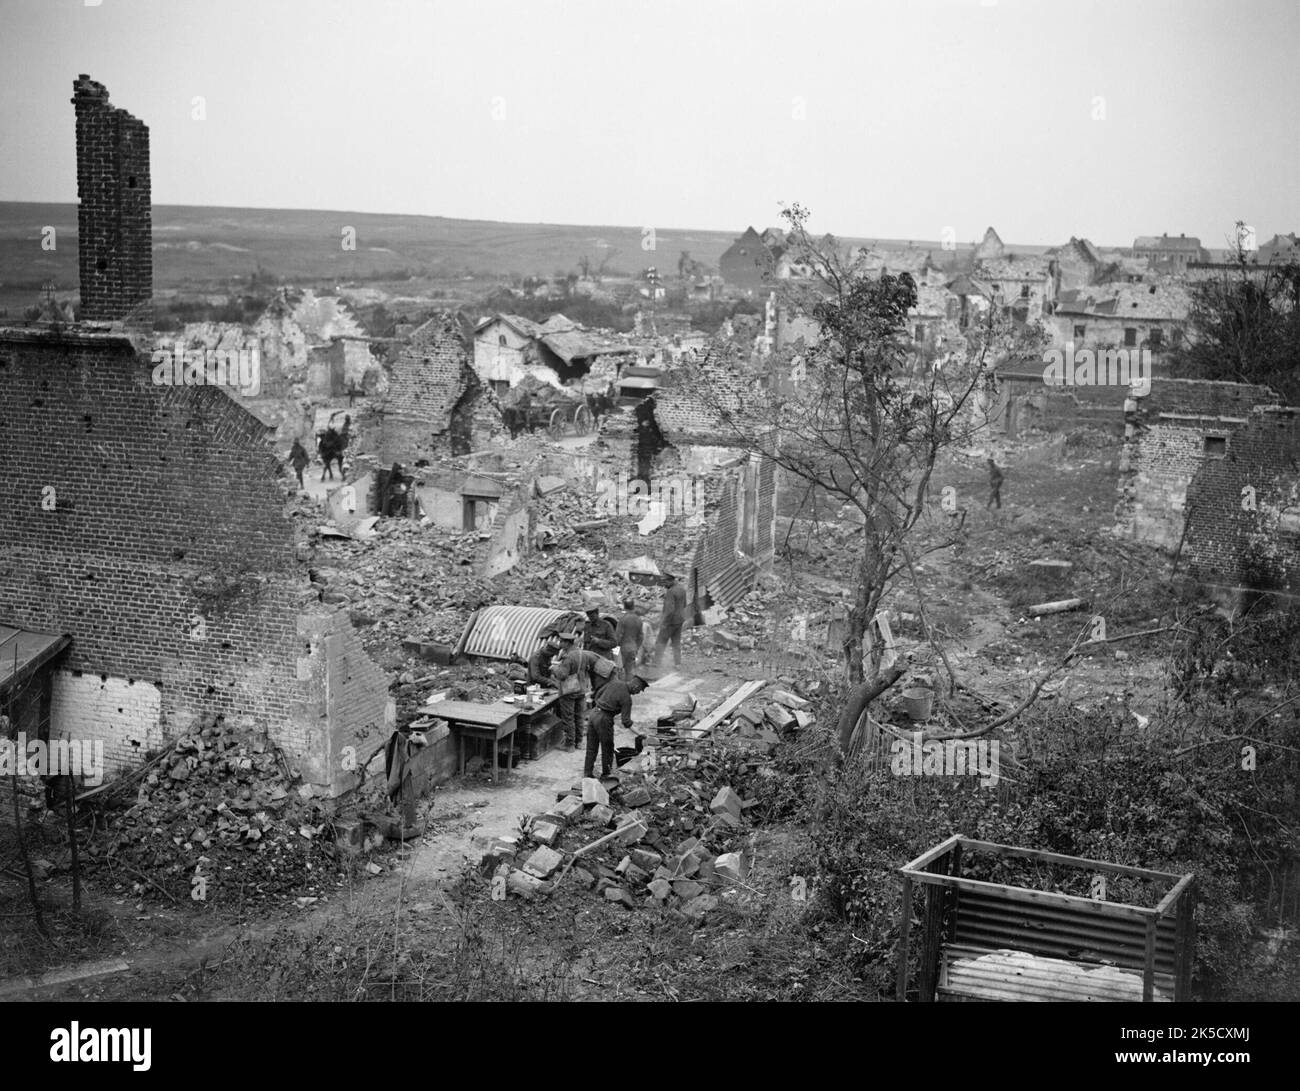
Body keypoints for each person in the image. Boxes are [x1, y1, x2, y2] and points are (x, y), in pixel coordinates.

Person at [585, 670, 651, 780]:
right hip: (604, 719)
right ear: (635, 685)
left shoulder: (615, 682)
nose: (638, 693)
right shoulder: (627, 698)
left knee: (591, 747)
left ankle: (587, 774)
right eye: (639, 690)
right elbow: (626, 722)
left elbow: (598, 694)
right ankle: (606, 775)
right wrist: (640, 733)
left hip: (593, 713)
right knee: (607, 747)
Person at [550, 631, 588, 751]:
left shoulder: (568, 657)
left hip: (569, 690)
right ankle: (579, 742)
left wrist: (554, 669)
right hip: (581, 689)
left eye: (561, 642)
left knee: (568, 717)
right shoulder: (582, 653)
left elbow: (562, 675)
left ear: (567, 643)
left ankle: (569, 744)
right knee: (579, 716)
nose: (560, 644)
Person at [652, 572, 689, 669]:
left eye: (665, 582)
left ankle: (656, 663)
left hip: (670, 622)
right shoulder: (682, 589)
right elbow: (685, 604)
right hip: (680, 620)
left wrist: (663, 623)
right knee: (676, 643)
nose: (664, 585)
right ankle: (678, 664)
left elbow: (669, 610)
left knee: (660, 642)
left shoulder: (671, 592)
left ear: (670, 580)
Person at [614, 598, 644, 679]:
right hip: (633, 647)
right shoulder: (638, 619)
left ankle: (622, 688)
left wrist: (615, 645)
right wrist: (637, 647)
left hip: (624, 648)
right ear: (633, 606)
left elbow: (618, 635)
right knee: (630, 670)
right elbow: (641, 636)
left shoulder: (623, 620)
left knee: (620, 670)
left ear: (624, 607)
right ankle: (629, 687)